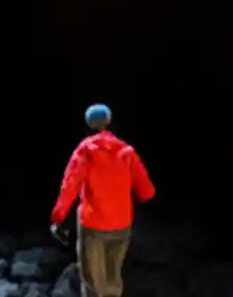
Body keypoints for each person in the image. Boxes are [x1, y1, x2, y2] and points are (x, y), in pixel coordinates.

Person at [50, 104, 155, 297]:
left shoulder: (85, 151)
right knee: (113, 278)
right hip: (122, 226)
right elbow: (147, 192)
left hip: (93, 226)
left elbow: (70, 187)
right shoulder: (127, 152)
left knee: (92, 283)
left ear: (88, 126)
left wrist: (58, 218)